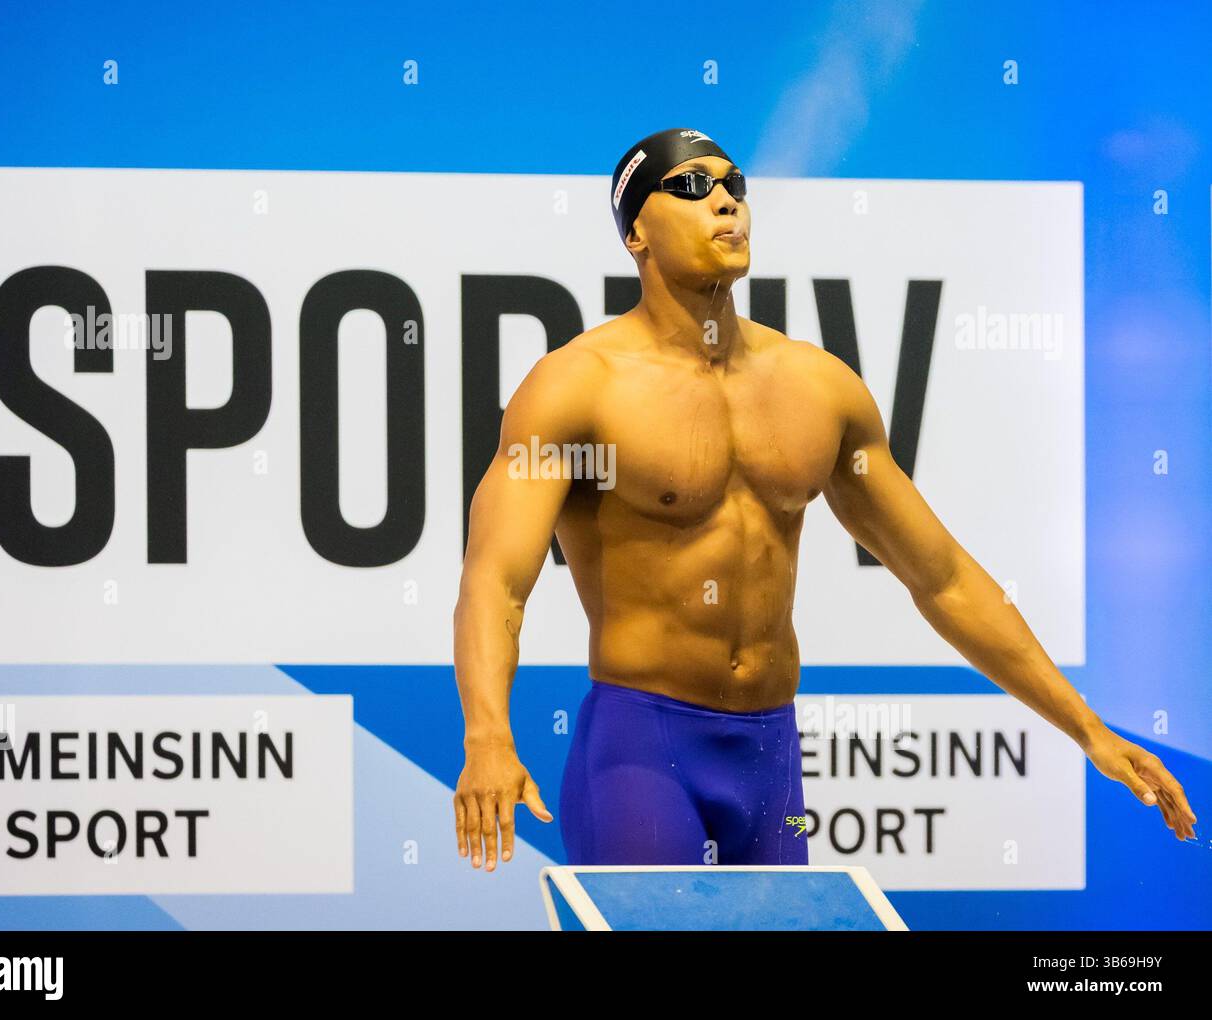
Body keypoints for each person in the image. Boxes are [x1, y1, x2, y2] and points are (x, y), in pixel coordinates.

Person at [452, 127, 1197, 871]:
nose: (724, 201)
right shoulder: (579, 386)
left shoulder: (818, 388)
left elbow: (942, 579)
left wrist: (1088, 728)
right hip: (642, 746)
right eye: (690, 186)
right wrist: (488, 734)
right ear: (636, 233)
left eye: (734, 185)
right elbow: (496, 580)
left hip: (772, 755)